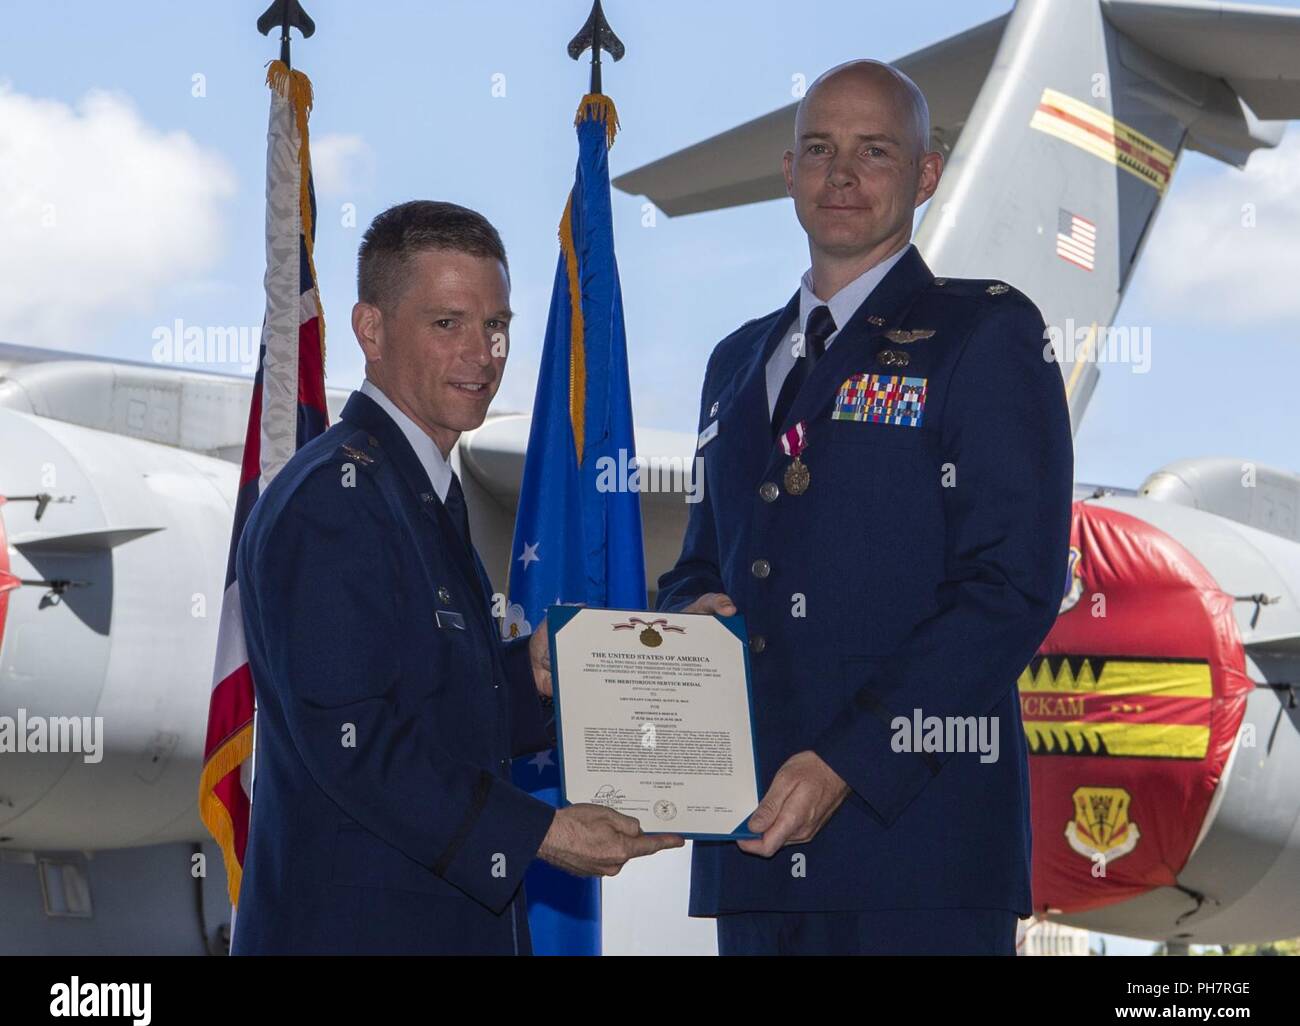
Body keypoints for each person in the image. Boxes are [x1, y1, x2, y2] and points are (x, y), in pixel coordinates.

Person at [656, 61, 1073, 955]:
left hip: (917, 856)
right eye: (818, 150)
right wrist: (687, 614)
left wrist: (851, 761)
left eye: (873, 151)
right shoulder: (736, 361)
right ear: (788, 173)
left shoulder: (985, 333)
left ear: (926, 175)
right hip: (756, 850)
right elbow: (705, 560)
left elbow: (1013, 584)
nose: (839, 175)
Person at [234, 200, 681, 955]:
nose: (482, 354)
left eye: (496, 325)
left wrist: (532, 674)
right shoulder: (336, 500)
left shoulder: (416, 490)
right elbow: (356, 742)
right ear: (370, 329)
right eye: (448, 324)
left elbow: (433, 716)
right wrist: (540, 831)